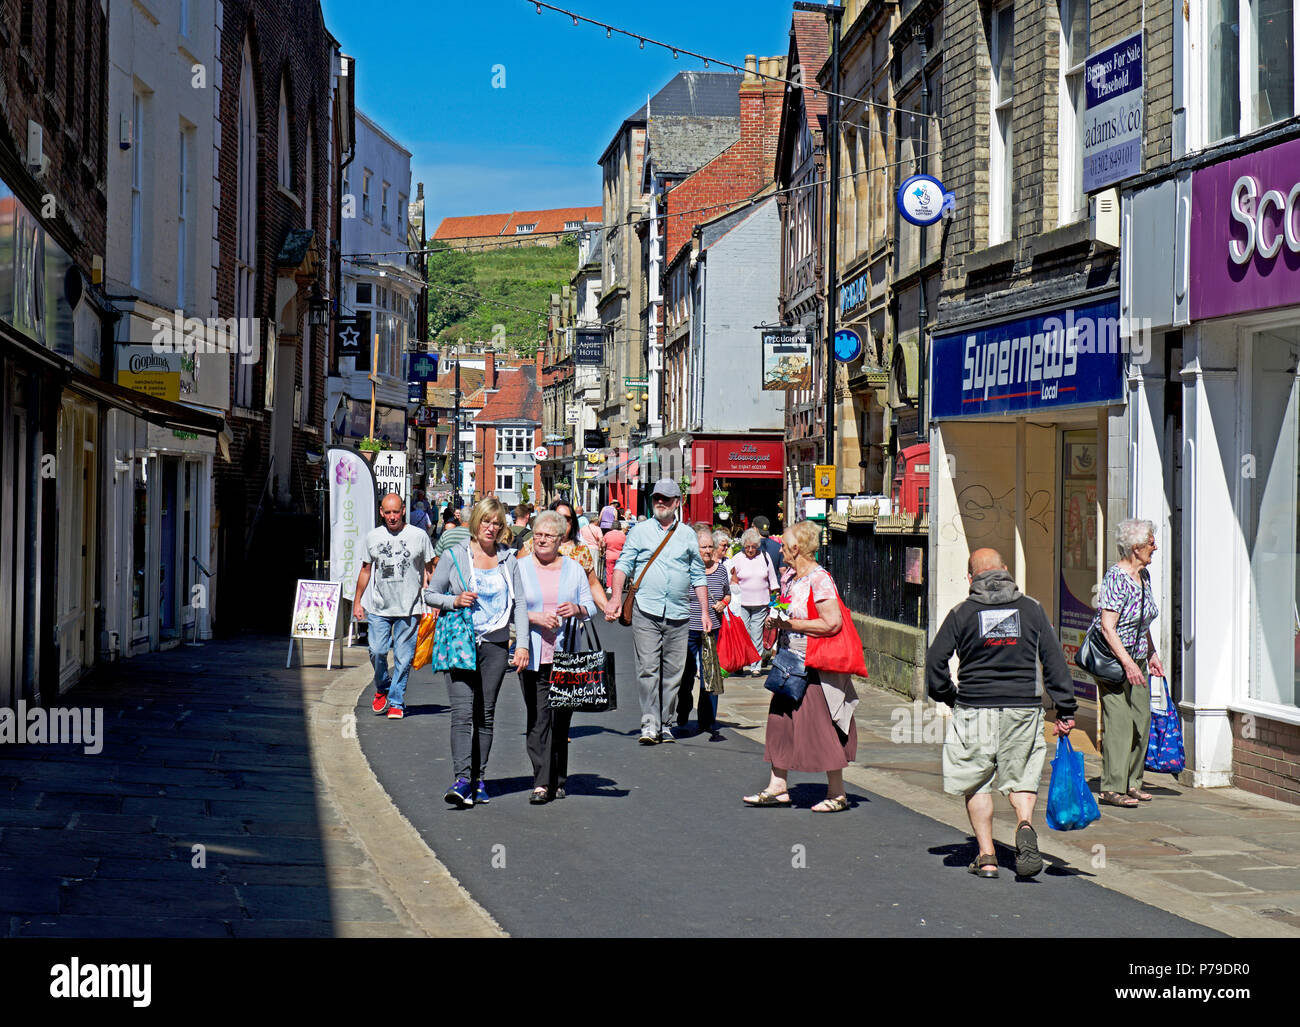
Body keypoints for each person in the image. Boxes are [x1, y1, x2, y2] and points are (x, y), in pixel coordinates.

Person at [925, 547, 1077, 879]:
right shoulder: (1031, 609)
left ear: (970, 577)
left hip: (974, 706)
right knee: (1022, 776)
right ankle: (1024, 824)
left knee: (977, 781)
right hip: (1023, 707)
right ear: (1006, 570)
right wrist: (1065, 707)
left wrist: (950, 696)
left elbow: (935, 663)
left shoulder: (961, 613)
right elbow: (1054, 661)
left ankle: (988, 856)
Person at [743, 520, 859, 812]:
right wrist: (775, 620)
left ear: (796, 548)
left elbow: (832, 623)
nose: (779, 548)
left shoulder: (820, 579)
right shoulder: (791, 577)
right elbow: (787, 610)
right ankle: (778, 786)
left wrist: (790, 622)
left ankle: (838, 793)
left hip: (813, 665)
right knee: (779, 722)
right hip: (788, 660)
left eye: (783, 543)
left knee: (822, 726)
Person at [424, 497, 530, 808]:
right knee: (462, 713)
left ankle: (478, 779)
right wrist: (453, 602)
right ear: (476, 522)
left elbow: (520, 604)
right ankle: (461, 779)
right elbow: (431, 594)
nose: (491, 528)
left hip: (495, 645)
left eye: (497, 524)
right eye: (486, 521)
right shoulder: (455, 555)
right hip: (461, 641)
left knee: (485, 714)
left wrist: (521, 643)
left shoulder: (508, 559)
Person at [606, 479, 711, 744]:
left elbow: (698, 574)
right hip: (646, 609)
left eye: (665, 498)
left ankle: (666, 722)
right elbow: (624, 565)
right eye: (656, 498)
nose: (660, 502)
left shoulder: (688, 535)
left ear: (677, 502)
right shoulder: (640, 531)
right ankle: (649, 724)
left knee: (674, 671)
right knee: (648, 668)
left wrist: (705, 612)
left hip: (679, 612)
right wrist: (615, 597)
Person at [516, 510, 599, 804]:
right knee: (539, 718)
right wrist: (534, 617)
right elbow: (509, 609)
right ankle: (541, 782)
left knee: (560, 721)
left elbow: (591, 606)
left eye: (548, 536)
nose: (541, 540)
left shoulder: (574, 569)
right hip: (532, 653)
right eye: (537, 534)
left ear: (560, 539)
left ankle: (558, 778)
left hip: (567, 656)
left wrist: (577, 609)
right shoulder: (520, 568)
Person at [1092, 518, 1165, 808]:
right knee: (1120, 723)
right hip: (1112, 660)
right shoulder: (1116, 578)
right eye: (1150, 542)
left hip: (1136, 657)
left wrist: (1151, 654)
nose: (1155, 547)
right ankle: (1111, 787)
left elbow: (1142, 620)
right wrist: (1128, 664)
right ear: (1135, 547)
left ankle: (1132, 782)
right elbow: (1109, 628)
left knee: (1142, 720)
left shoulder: (1143, 576)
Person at [353, 493, 435, 720]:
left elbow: (431, 567)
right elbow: (365, 570)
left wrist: (434, 597)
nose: (391, 517)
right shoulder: (373, 537)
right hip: (379, 607)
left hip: (409, 607)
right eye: (387, 512)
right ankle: (383, 687)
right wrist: (358, 601)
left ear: (403, 511)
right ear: (381, 512)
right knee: (377, 651)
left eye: (395, 512)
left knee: (403, 657)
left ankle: (397, 700)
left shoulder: (419, 536)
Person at [676, 524, 731, 735]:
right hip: (689, 629)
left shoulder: (721, 570)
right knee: (687, 674)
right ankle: (683, 708)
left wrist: (723, 603)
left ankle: (707, 720)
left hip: (712, 630)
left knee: (710, 674)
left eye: (710, 546)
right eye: (703, 547)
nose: (708, 550)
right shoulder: (687, 569)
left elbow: (727, 594)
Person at [517, 501, 610, 617]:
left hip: (569, 621)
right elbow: (516, 579)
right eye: (558, 517)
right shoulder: (535, 544)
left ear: (572, 521)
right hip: (535, 618)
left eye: (567, 518)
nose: (562, 522)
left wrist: (607, 608)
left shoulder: (580, 549)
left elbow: (592, 583)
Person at [726, 527, 779, 676]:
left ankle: (755, 666)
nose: (750, 550)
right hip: (742, 603)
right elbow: (732, 581)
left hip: (761, 602)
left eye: (753, 547)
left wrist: (776, 594)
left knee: (756, 634)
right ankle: (741, 662)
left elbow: (772, 578)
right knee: (743, 633)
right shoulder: (737, 558)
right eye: (747, 547)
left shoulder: (765, 556)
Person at [602, 519, 627, 594]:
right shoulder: (622, 535)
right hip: (619, 555)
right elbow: (625, 545)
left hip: (610, 555)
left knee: (609, 572)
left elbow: (603, 544)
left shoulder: (608, 534)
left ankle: (609, 587)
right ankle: (618, 587)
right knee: (619, 572)